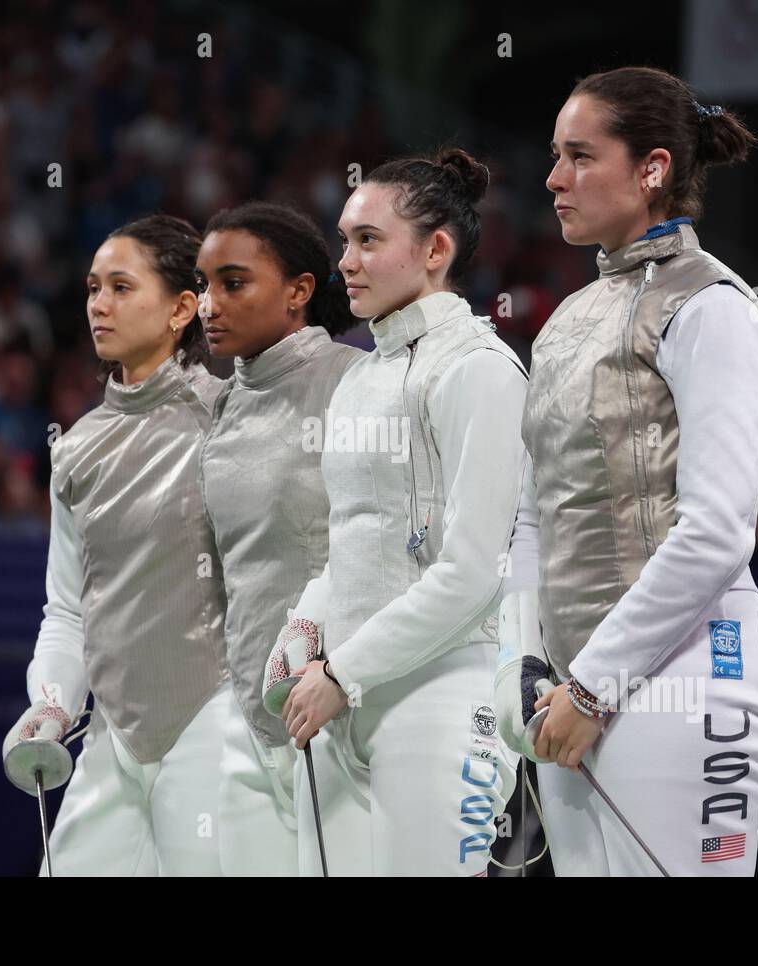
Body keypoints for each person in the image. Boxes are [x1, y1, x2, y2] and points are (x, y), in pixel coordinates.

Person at [509, 66, 758, 876]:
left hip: (692, 675)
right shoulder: (568, 322)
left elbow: (716, 532)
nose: (555, 178)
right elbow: (533, 516)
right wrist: (520, 665)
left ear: (653, 168)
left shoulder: (713, 308)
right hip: (572, 694)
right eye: (555, 157)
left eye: (579, 156)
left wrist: (594, 685)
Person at [264, 148, 527, 875]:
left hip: (442, 696)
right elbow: (348, 543)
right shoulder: (359, 378)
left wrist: (343, 672)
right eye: (345, 239)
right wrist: (306, 626)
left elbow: (473, 571)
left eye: (369, 241)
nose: (345, 260)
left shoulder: (479, 369)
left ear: (435, 249)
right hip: (342, 700)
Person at [2, 215, 230, 876]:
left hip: (214, 727)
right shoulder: (74, 449)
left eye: (122, 287)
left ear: (182, 308)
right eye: (93, 287)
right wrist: (52, 701)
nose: (99, 304)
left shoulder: (232, 420)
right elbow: (67, 611)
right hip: (114, 736)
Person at [197, 202, 364, 875]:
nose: (209, 303)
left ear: (299, 291)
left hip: (338, 710)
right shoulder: (222, 404)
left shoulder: (354, 385)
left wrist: (344, 673)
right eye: (203, 284)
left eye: (233, 283)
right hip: (246, 716)